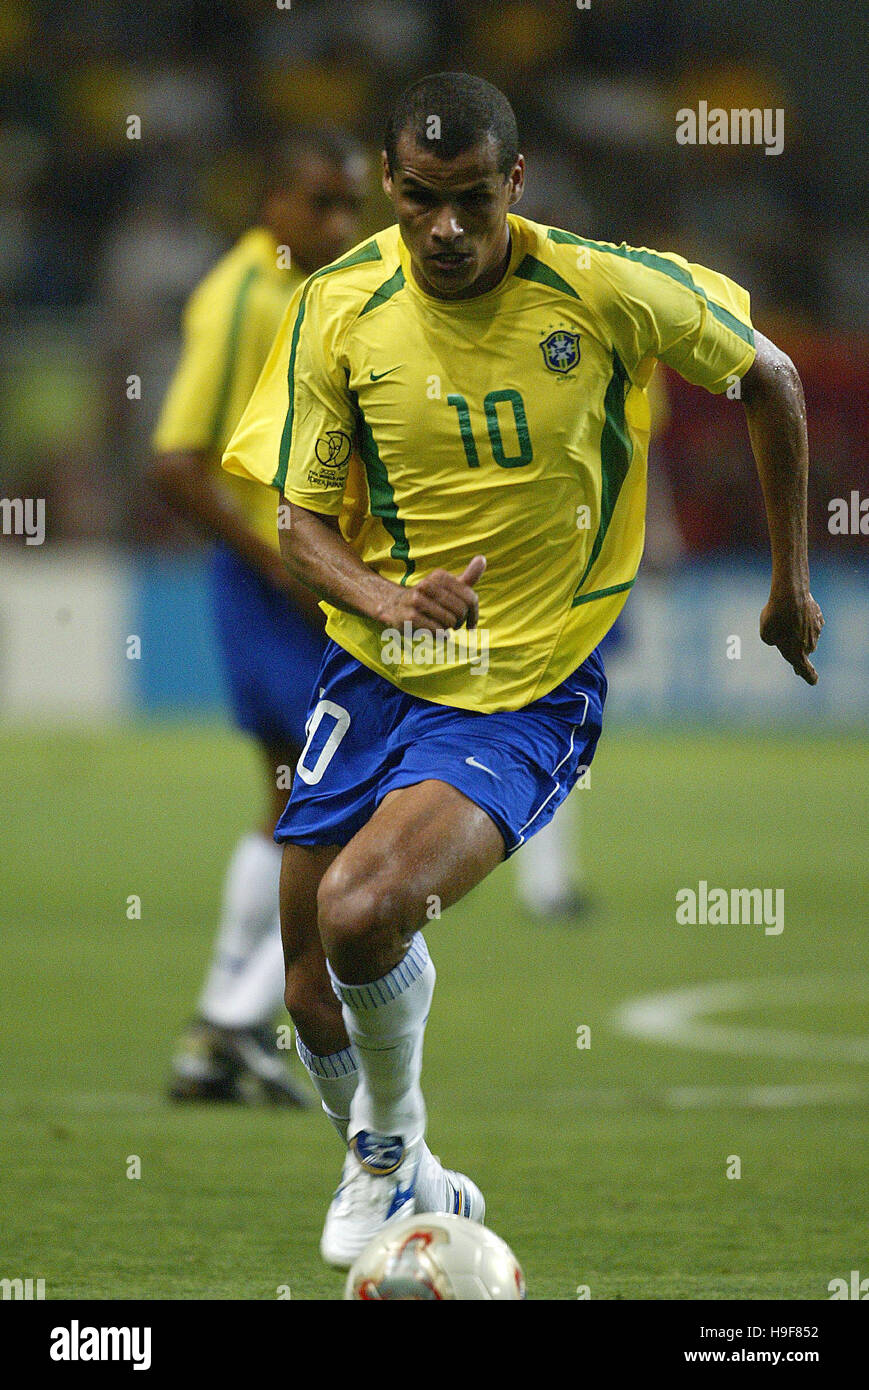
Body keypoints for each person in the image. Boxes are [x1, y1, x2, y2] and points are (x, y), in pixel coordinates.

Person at [222, 72, 823, 1262]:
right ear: (389, 189)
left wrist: (786, 582)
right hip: (373, 672)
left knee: (362, 911)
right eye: (416, 201)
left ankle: (388, 1158)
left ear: (515, 182)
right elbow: (298, 522)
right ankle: (416, 1176)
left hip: (525, 681)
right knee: (303, 991)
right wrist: (390, 598)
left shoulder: (606, 287)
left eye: (468, 201)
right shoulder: (339, 305)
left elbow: (771, 377)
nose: (443, 229)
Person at [150, 127, 367, 1103]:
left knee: (294, 801)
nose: (340, 223)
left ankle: (221, 1033)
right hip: (275, 581)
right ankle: (232, 1020)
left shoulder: (312, 290)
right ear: (271, 201)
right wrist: (274, 562)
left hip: (307, 575)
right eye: (320, 202)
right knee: (327, 802)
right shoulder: (240, 296)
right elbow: (176, 463)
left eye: (350, 204)